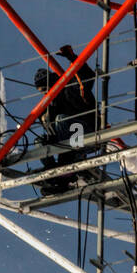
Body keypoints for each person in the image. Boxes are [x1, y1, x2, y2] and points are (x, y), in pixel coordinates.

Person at [33, 44, 98, 196]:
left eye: (45, 89)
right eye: (42, 91)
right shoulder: (49, 107)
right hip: (68, 139)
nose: (45, 93)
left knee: (63, 120)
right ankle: (53, 173)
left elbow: (87, 77)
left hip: (85, 131)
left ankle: (66, 173)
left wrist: (72, 57)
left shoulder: (70, 89)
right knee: (39, 142)